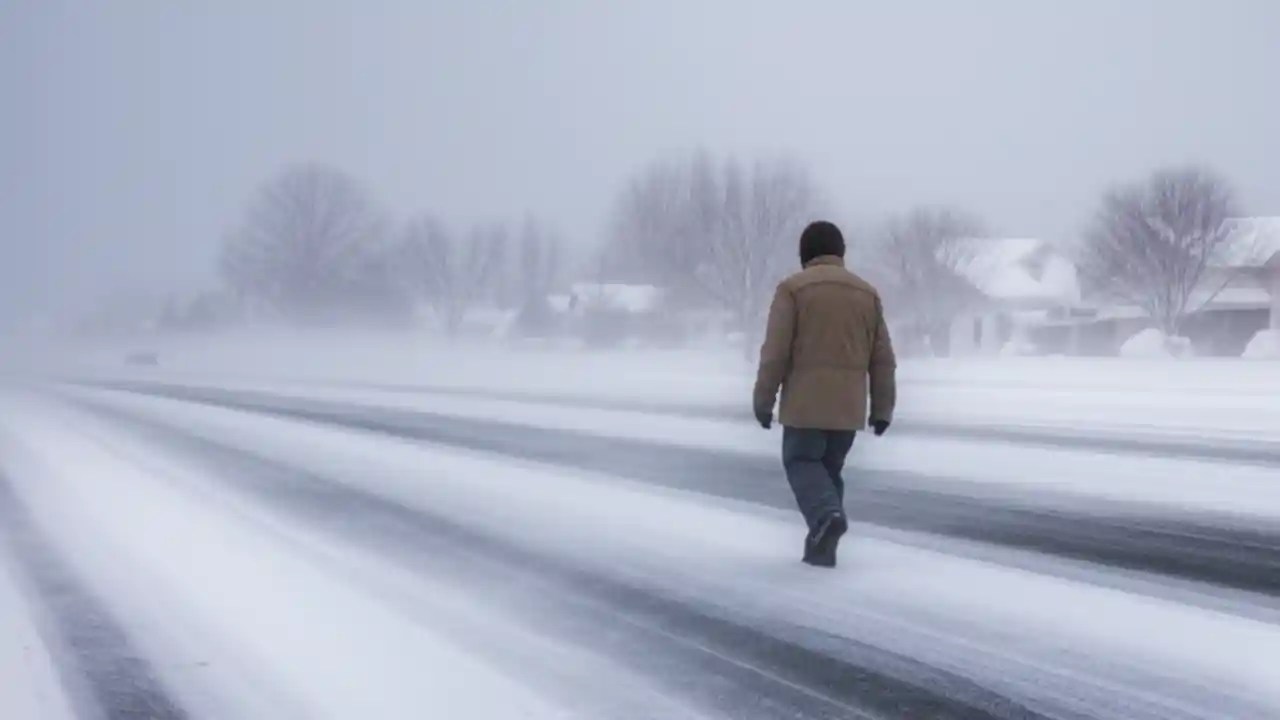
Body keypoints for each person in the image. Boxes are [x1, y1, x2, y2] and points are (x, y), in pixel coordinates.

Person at [753, 220, 896, 568]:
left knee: (802, 462)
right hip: (847, 410)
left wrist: (763, 399)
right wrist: (882, 409)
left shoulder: (792, 290)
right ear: (840, 253)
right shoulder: (867, 294)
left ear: (805, 253)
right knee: (828, 474)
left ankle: (826, 519)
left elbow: (776, 352)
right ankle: (821, 549)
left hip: (805, 406)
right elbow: (883, 360)